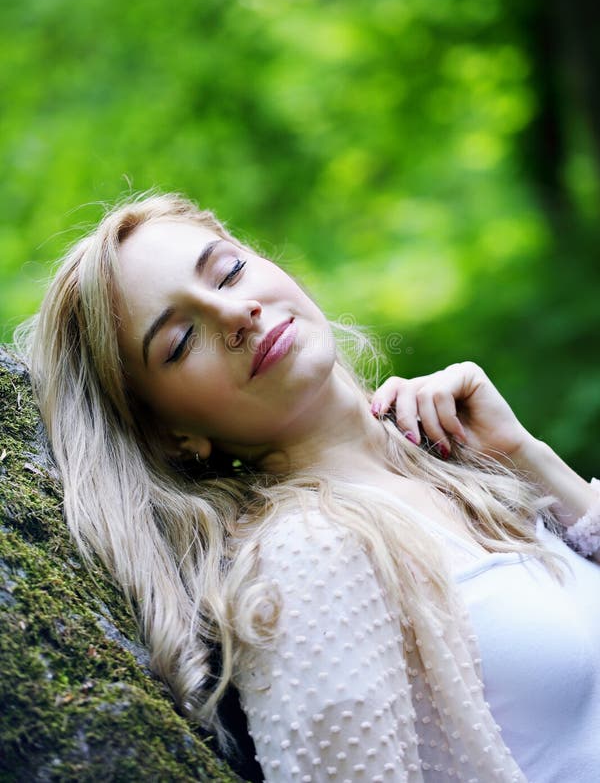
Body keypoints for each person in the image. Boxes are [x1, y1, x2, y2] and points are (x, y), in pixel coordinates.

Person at [19, 192, 600, 782]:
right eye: (180, 341)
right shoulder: (306, 557)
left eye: (229, 271)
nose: (235, 313)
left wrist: (530, 458)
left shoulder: (453, 459)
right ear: (172, 433)